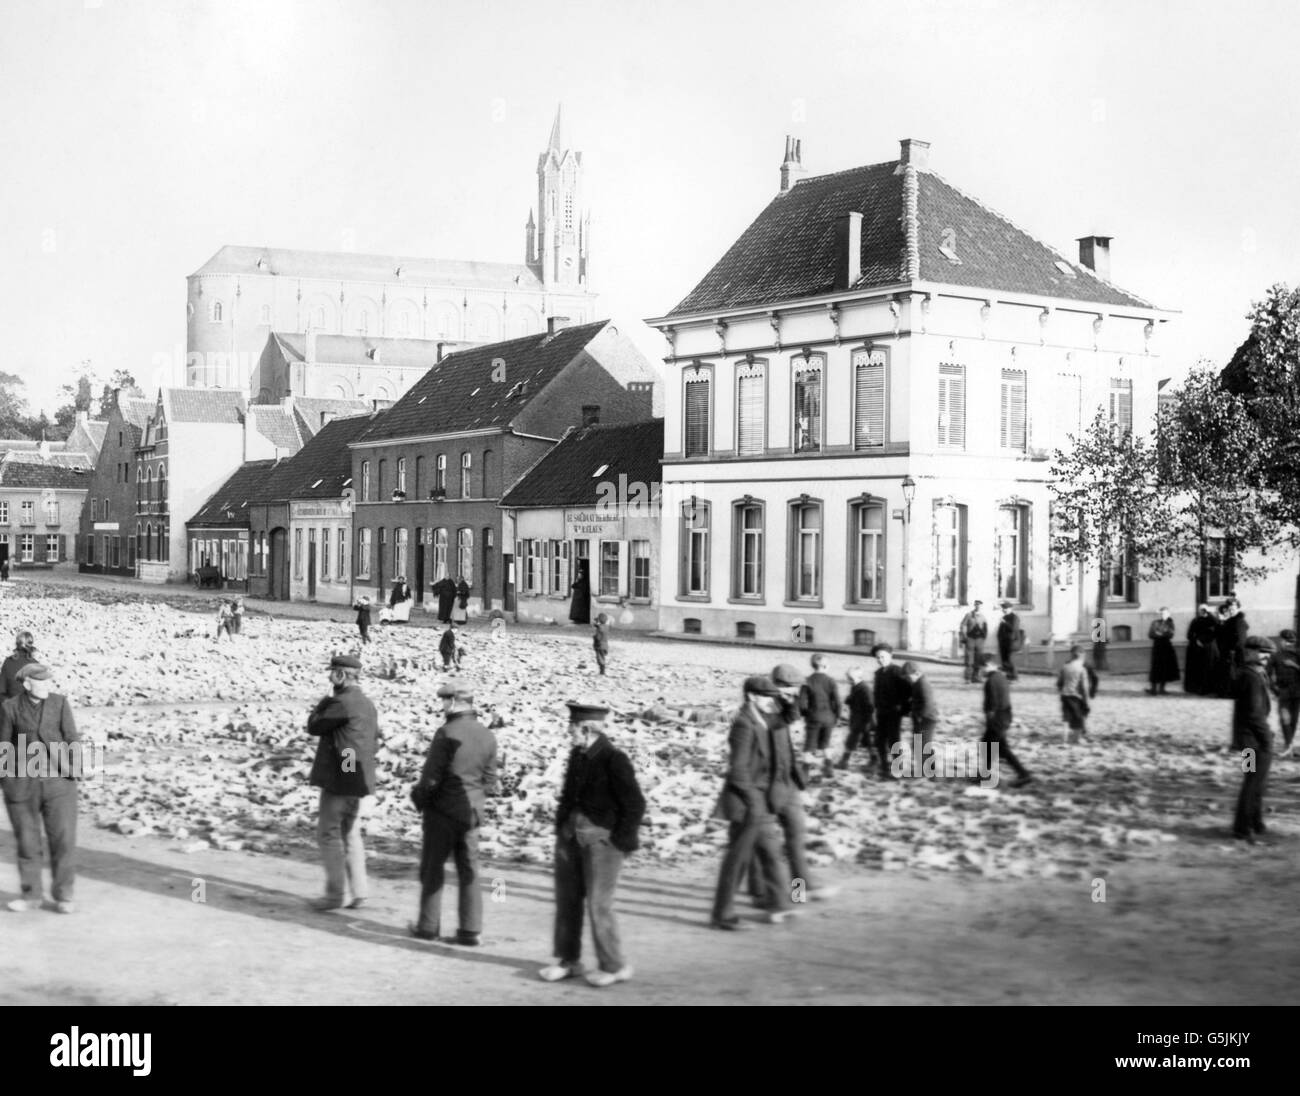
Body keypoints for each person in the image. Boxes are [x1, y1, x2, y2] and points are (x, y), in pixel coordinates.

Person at [539, 701, 645, 988]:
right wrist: (562, 826)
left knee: (599, 906)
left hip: (602, 844)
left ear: (586, 729)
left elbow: (634, 804)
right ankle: (568, 961)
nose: (568, 731)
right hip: (570, 839)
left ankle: (614, 966)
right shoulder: (578, 754)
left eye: (571, 727)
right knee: (567, 901)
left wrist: (619, 841)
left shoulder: (614, 759)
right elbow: (567, 795)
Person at [409, 682, 498, 945]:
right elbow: (491, 780)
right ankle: (471, 930)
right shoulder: (487, 735)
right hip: (471, 813)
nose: (442, 706)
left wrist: (419, 799)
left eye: (446, 701)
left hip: (442, 813)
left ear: (455, 703)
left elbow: (431, 777)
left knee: (433, 868)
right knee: (469, 869)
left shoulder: (445, 732)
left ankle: (428, 926)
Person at [710, 678, 793, 932]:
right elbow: (738, 770)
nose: (773, 700)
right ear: (752, 697)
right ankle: (722, 915)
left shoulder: (764, 717)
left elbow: (788, 719)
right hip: (747, 805)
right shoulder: (744, 724)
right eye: (768, 696)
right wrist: (755, 803)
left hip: (762, 802)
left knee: (771, 852)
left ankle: (780, 904)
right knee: (737, 862)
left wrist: (788, 700)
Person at [749, 663, 835, 905]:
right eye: (791, 691)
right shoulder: (757, 711)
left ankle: (801, 888)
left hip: (787, 781)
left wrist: (788, 700)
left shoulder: (782, 705)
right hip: (763, 785)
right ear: (776, 687)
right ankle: (761, 893)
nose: (795, 695)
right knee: (763, 842)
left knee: (796, 833)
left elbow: (794, 715)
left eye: (796, 691)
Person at [1, 663, 80, 913]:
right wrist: (6, 781)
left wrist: (74, 769)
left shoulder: (59, 703)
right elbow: (3, 746)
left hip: (59, 785)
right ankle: (31, 895)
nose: (47, 686)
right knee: (27, 842)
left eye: (49, 681)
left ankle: (64, 896)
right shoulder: (9, 708)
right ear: (26, 684)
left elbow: (71, 738)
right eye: (41, 682)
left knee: (64, 841)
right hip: (22, 786)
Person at [307, 654, 379, 911]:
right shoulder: (367, 704)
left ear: (339, 675)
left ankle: (335, 894)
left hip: (342, 782)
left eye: (332, 673)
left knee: (328, 834)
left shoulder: (340, 703)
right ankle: (359, 891)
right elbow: (366, 743)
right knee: (351, 835)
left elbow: (314, 726)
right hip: (362, 781)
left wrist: (325, 699)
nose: (329, 677)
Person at [1231, 636, 1274, 843]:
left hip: (1247, 741)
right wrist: (1267, 738)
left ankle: (1255, 822)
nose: (1266, 657)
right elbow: (1254, 714)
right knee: (1254, 783)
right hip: (1256, 742)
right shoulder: (1252, 676)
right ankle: (1243, 827)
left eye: (1268, 653)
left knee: (1253, 780)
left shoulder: (1249, 673)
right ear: (1250, 652)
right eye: (1262, 652)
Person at [979, 652, 1031, 788]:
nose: (980, 671)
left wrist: (989, 722)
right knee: (990, 744)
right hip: (1005, 716)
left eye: (980, 667)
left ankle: (1024, 774)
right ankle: (985, 774)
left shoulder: (990, 681)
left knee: (996, 747)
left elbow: (992, 705)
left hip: (997, 719)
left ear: (987, 665)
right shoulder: (1001, 677)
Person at [871, 643, 911, 778]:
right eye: (877, 658)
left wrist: (903, 708)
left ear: (890, 656)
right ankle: (883, 765)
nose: (880, 660)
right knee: (879, 740)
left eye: (882, 657)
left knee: (894, 740)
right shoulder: (878, 673)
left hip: (894, 712)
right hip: (881, 712)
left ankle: (897, 768)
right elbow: (876, 693)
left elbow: (908, 690)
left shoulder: (897, 671)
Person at [799, 654, 841, 763]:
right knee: (825, 744)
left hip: (813, 717)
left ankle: (805, 771)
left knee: (809, 746)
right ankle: (829, 768)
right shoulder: (831, 681)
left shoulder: (807, 681)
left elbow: (802, 703)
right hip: (829, 718)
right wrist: (837, 716)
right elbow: (838, 702)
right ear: (826, 666)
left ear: (813, 665)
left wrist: (806, 715)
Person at [902, 662, 938, 775]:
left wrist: (920, 717)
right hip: (922, 718)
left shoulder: (922, 684)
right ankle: (930, 769)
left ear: (917, 673)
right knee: (920, 745)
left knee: (921, 746)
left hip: (926, 719)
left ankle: (925, 772)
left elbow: (928, 703)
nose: (908, 679)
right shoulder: (918, 682)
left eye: (909, 677)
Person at [1269, 630, 1300, 758]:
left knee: (1292, 720)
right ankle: (1288, 745)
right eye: (1286, 641)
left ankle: (1289, 745)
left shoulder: (1298, 655)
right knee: (1285, 719)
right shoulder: (1275, 655)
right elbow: (1267, 673)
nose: (1287, 644)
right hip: (1284, 691)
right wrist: (1274, 689)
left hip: (1297, 691)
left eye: (1291, 641)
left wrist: (1295, 665)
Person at [837, 666, 875, 771]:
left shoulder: (864, 688)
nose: (849, 680)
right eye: (848, 677)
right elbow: (854, 698)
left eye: (851, 677)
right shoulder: (855, 687)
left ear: (859, 676)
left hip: (862, 720)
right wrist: (848, 699)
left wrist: (867, 720)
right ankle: (874, 759)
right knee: (866, 741)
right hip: (857, 718)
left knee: (851, 740)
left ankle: (844, 762)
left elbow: (870, 705)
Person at [1057, 644, 1091, 744]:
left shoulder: (1065, 667)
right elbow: (1085, 687)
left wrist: (1061, 691)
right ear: (1081, 656)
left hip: (1064, 695)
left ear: (1071, 656)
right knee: (1078, 718)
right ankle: (1076, 739)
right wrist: (1086, 700)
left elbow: (1060, 682)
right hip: (1075, 696)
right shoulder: (1082, 669)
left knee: (1066, 718)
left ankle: (1064, 738)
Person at [1215, 599, 1248, 698]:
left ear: (1238, 608)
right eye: (1230, 609)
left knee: (1234, 672)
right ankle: (1227, 692)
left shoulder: (1239, 621)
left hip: (1235, 652)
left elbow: (1240, 639)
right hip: (1228, 651)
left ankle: (1234, 693)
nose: (1231, 611)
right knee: (1228, 672)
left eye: (1233, 609)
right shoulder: (1230, 620)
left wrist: (1233, 650)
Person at [1184, 604, 1220, 696]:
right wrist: (1196, 640)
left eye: (1204, 610)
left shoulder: (1212, 620)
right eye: (1200, 610)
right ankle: (1196, 688)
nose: (1202, 611)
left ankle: (1209, 688)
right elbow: (1189, 634)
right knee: (1197, 668)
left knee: (1208, 667)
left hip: (1209, 648)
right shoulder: (1195, 621)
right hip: (1196, 648)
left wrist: (1204, 641)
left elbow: (1215, 633)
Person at [1145, 608, 1180, 695]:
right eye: (1161, 614)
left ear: (1168, 614)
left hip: (1166, 647)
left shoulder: (1170, 623)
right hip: (1157, 647)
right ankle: (1153, 689)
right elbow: (1151, 634)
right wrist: (1162, 634)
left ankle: (1162, 688)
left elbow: (1170, 634)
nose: (1162, 615)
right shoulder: (1155, 623)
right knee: (1155, 667)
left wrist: (1158, 633)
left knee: (1165, 667)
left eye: (1164, 613)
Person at [1, 631, 39, 699]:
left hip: (10, 705)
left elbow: (2, 689)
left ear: (17, 644)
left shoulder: (8, 662)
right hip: (28, 706)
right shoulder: (35, 664)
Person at [958, 600, 989, 684]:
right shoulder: (969, 615)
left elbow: (985, 628)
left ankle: (976, 677)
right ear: (974, 606)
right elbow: (963, 625)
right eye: (976, 605)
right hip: (970, 639)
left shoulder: (983, 617)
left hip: (979, 640)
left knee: (978, 659)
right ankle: (968, 678)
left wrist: (983, 638)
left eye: (979, 605)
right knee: (969, 659)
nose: (978, 607)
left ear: (981, 607)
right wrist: (964, 636)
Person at [996, 600, 1022, 681]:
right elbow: (1000, 630)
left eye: (1005, 608)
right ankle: (1008, 675)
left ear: (1010, 608)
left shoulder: (1014, 617)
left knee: (1010, 659)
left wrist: (1005, 623)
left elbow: (1013, 629)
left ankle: (1014, 676)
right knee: (1004, 660)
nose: (1004, 610)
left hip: (1011, 642)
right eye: (1003, 608)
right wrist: (999, 638)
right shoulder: (1004, 617)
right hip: (1003, 642)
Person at [569, 560, 591, 625]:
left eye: (580, 575)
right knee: (575, 609)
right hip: (576, 598)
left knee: (580, 610)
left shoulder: (584, 582)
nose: (579, 576)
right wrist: (577, 580)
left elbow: (584, 589)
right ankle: (575, 619)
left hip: (581, 598)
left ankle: (580, 620)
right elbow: (573, 586)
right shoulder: (578, 581)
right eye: (579, 575)